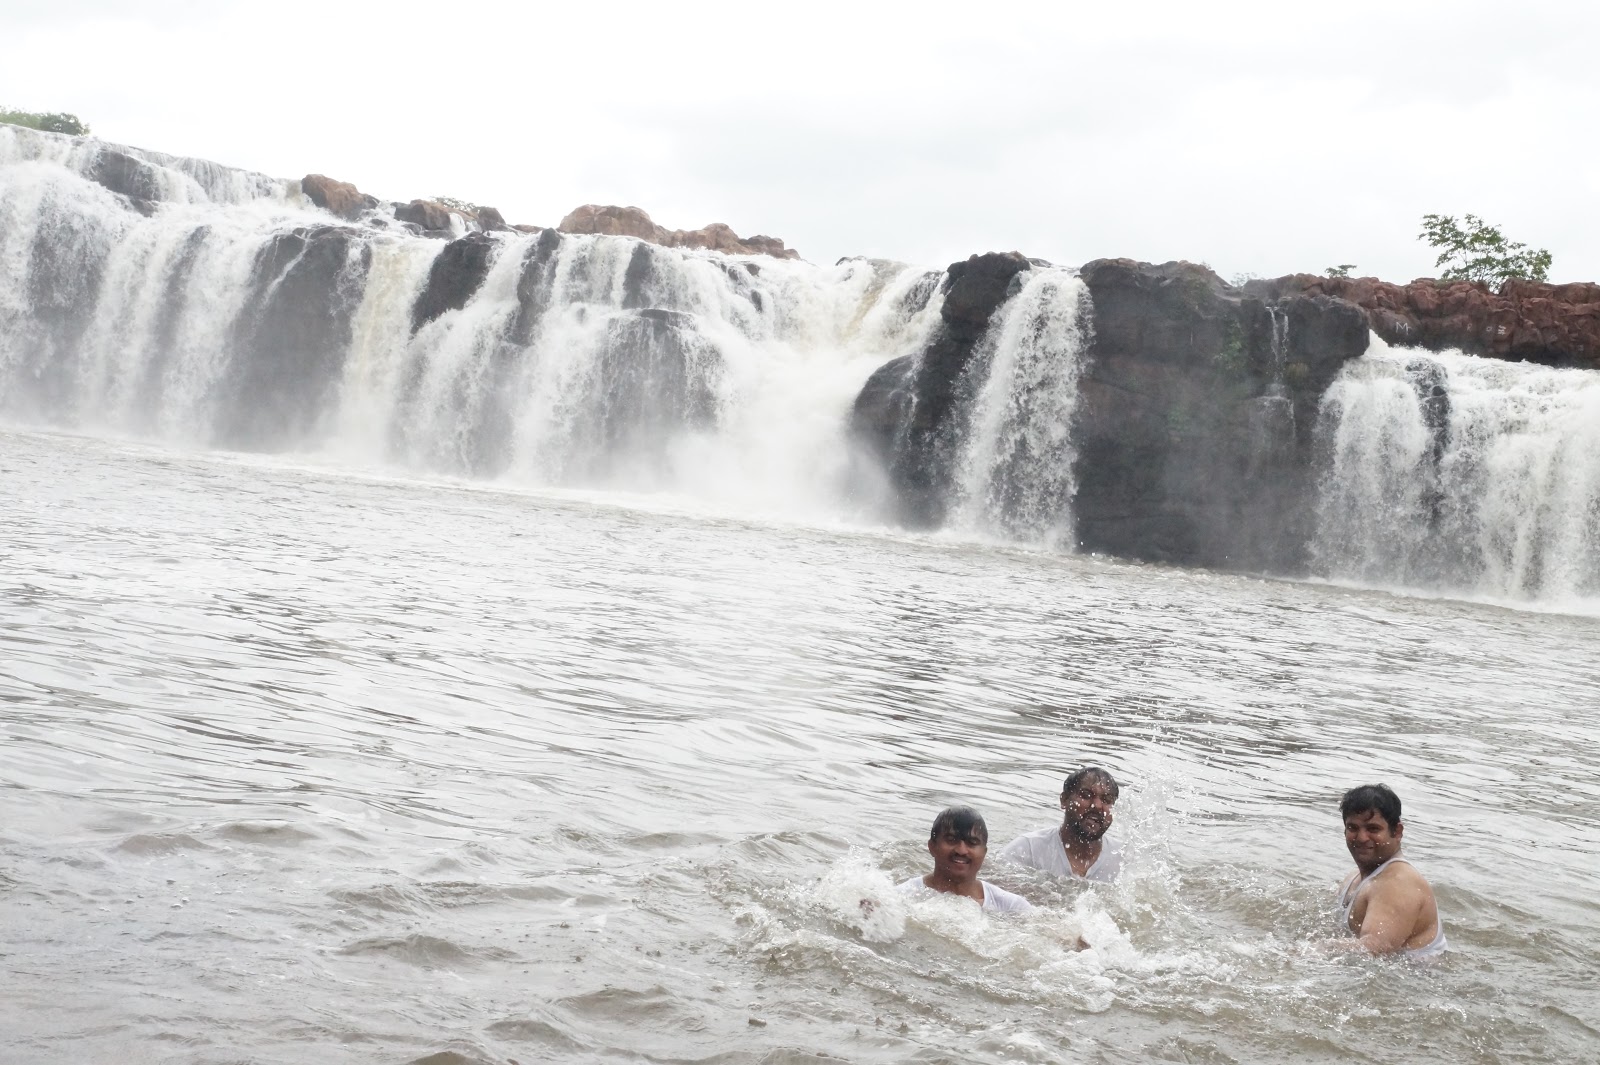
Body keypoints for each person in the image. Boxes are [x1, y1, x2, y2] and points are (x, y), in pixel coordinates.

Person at [1328, 783, 1447, 959]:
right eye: (1353, 828)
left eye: (1373, 829)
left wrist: (1303, 952)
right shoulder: (1353, 878)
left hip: (1422, 979)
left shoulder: (1399, 883)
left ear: (1397, 831)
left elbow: (1373, 947)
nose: (1361, 837)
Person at [896, 806, 1032, 913]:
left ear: (984, 853)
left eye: (972, 843)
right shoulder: (901, 897)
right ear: (932, 847)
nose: (961, 850)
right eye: (951, 840)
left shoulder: (1012, 907)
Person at [997, 767, 1122, 882]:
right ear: (1064, 800)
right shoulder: (1027, 850)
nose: (1097, 806)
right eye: (1086, 795)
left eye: (1107, 800)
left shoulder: (1125, 861)